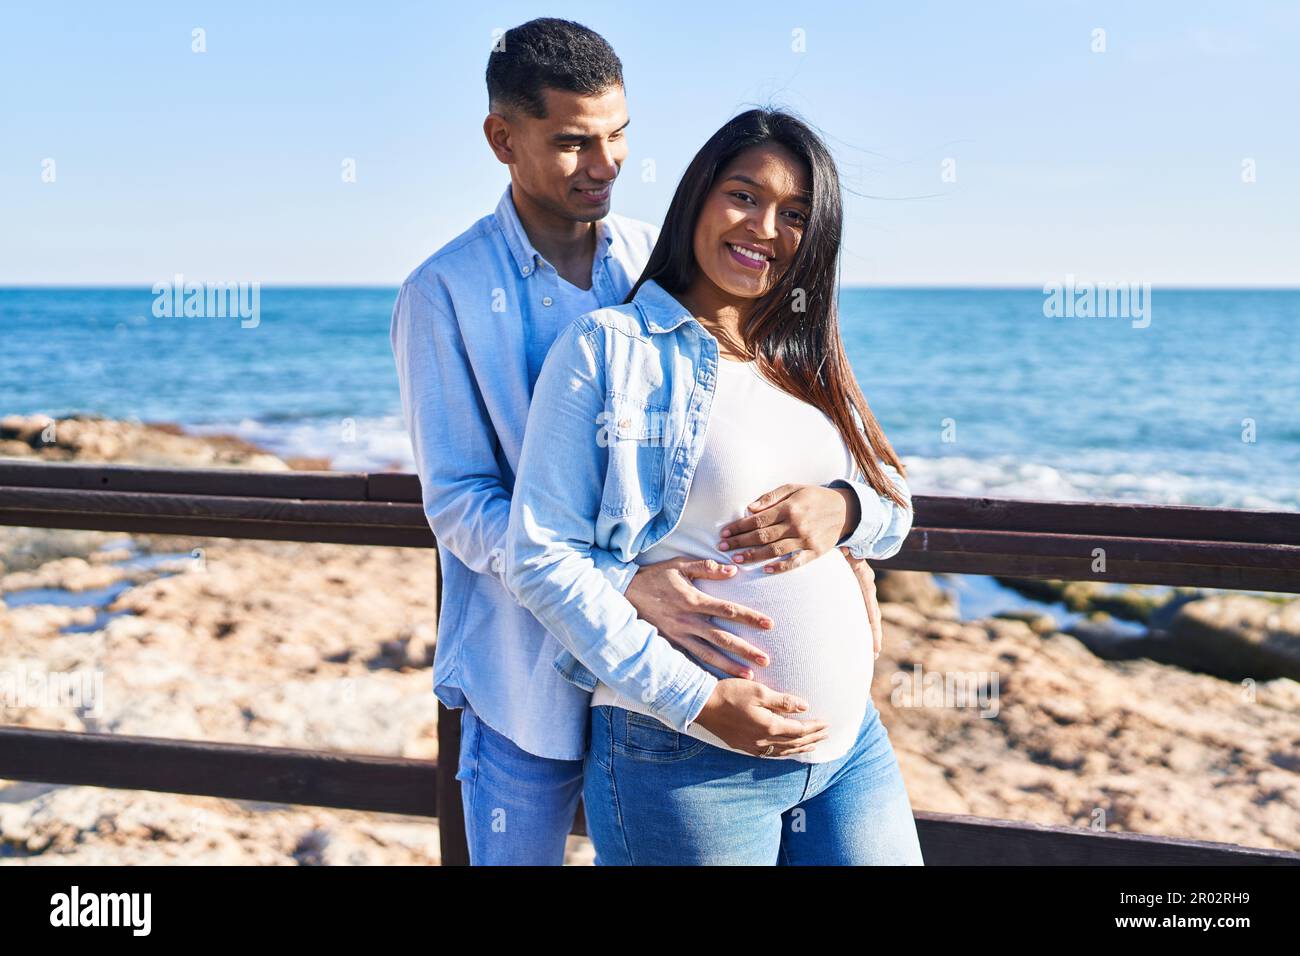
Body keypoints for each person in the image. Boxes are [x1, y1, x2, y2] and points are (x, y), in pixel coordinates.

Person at [390, 20, 891, 865]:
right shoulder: (444, 292)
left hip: (690, 686)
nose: (606, 164)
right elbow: (459, 500)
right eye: (574, 142)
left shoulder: (650, 258)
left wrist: (844, 523)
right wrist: (621, 584)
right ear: (502, 138)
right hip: (527, 676)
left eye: (619, 134)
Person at [506, 107, 925, 864]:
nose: (766, 227)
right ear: (698, 197)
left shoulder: (803, 358)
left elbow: (893, 503)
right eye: (745, 196)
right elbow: (541, 556)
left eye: (795, 213)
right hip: (684, 756)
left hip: (848, 750)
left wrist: (844, 507)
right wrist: (700, 702)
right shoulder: (608, 349)